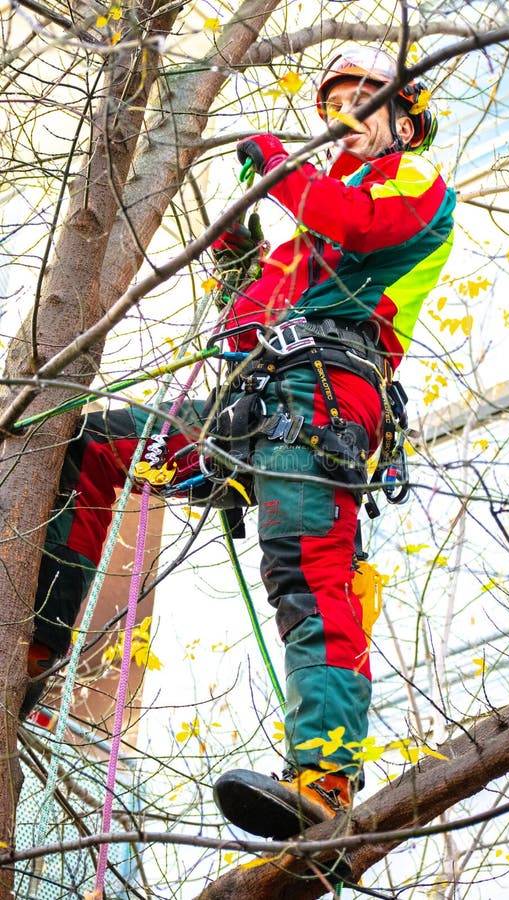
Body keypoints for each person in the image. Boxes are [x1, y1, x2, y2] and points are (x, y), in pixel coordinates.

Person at [24, 46, 455, 840]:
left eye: (368, 104)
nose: (349, 119)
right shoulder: (307, 227)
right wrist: (235, 260)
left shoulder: (415, 188)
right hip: (244, 410)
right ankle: (31, 657)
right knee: (92, 443)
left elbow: (359, 227)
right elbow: (252, 318)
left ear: (403, 121)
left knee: (308, 569)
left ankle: (325, 773)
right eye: (338, 107)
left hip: (320, 405)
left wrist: (281, 171)